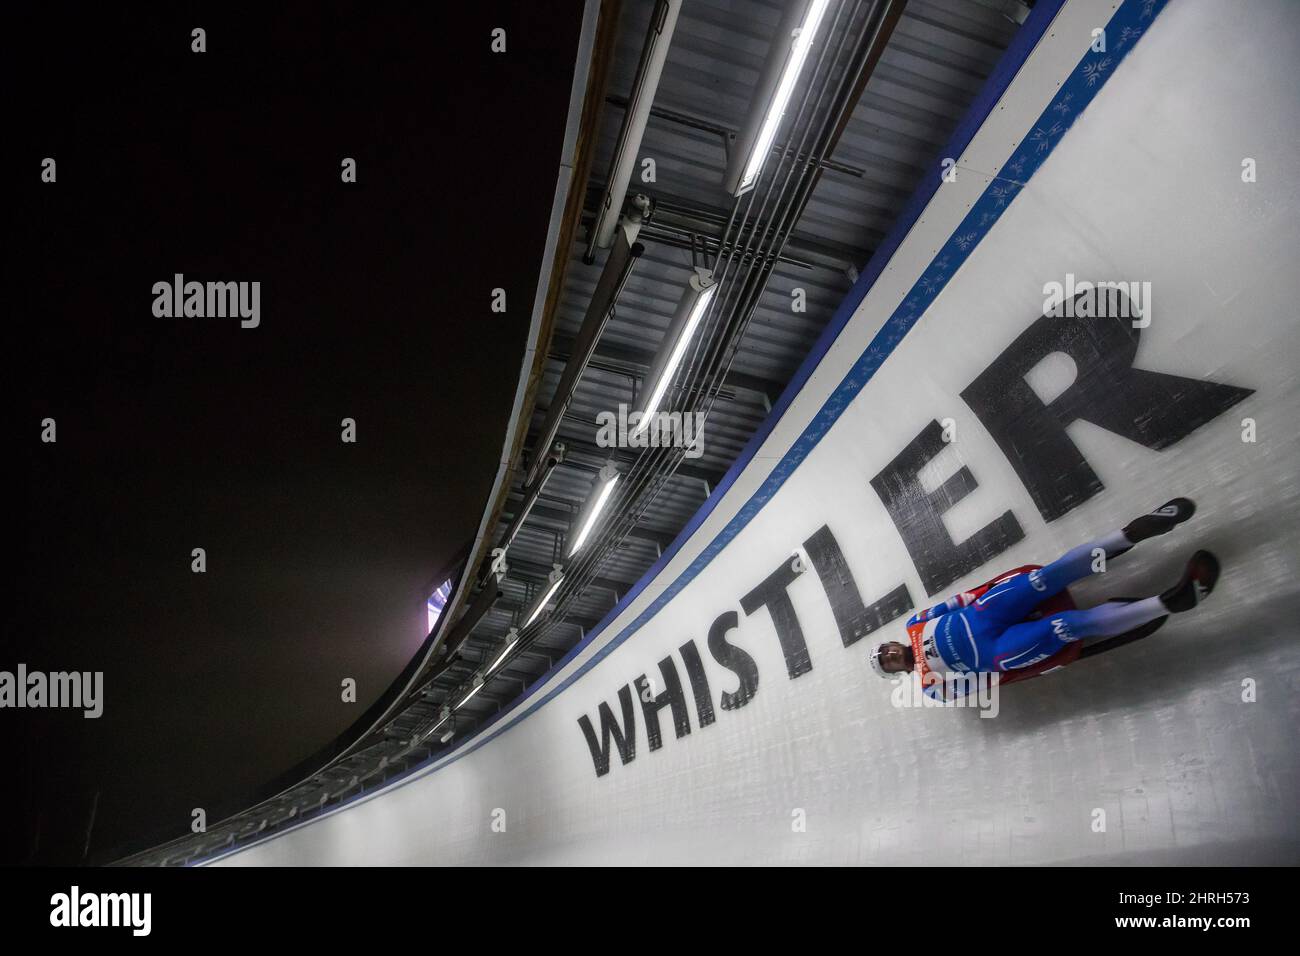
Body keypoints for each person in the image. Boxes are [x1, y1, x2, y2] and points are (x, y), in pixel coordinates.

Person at [868, 499, 1220, 682]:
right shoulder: (931, 687)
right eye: (887, 662)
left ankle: (1130, 533)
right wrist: (1039, 666)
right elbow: (991, 683)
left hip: (985, 610)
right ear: (896, 671)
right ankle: (1170, 602)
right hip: (997, 651)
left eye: (884, 651)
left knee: (1046, 577)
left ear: (889, 643)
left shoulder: (916, 622)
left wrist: (997, 587)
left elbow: (960, 600)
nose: (890, 656)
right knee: (1065, 627)